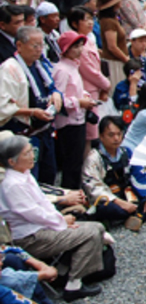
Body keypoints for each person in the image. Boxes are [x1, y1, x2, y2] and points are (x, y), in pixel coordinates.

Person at [0, 134, 105, 301]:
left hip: (42, 228)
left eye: (31, 151)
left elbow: (43, 202)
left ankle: (64, 273)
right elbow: (33, 213)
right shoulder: (11, 184)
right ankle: (73, 285)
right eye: (26, 153)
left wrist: (60, 222)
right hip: (30, 237)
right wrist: (60, 222)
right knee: (92, 232)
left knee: (96, 227)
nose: (32, 155)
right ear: (12, 161)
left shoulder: (25, 175)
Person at [0, 26, 62, 184]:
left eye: (42, 45)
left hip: (45, 131)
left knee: (49, 175)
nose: (39, 50)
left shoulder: (40, 63)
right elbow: (3, 106)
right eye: (35, 46)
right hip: (24, 134)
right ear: (19, 46)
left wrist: (56, 94)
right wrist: (32, 112)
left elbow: (52, 86)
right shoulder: (9, 68)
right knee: (29, 180)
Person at [51, 30, 96, 190]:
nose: (79, 50)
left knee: (77, 160)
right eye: (75, 46)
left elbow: (76, 89)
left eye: (80, 46)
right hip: (68, 122)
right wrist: (79, 102)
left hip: (79, 118)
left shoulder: (73, 67)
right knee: (71, 161)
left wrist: (85, 96)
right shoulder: (62, 70)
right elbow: (58, 98)